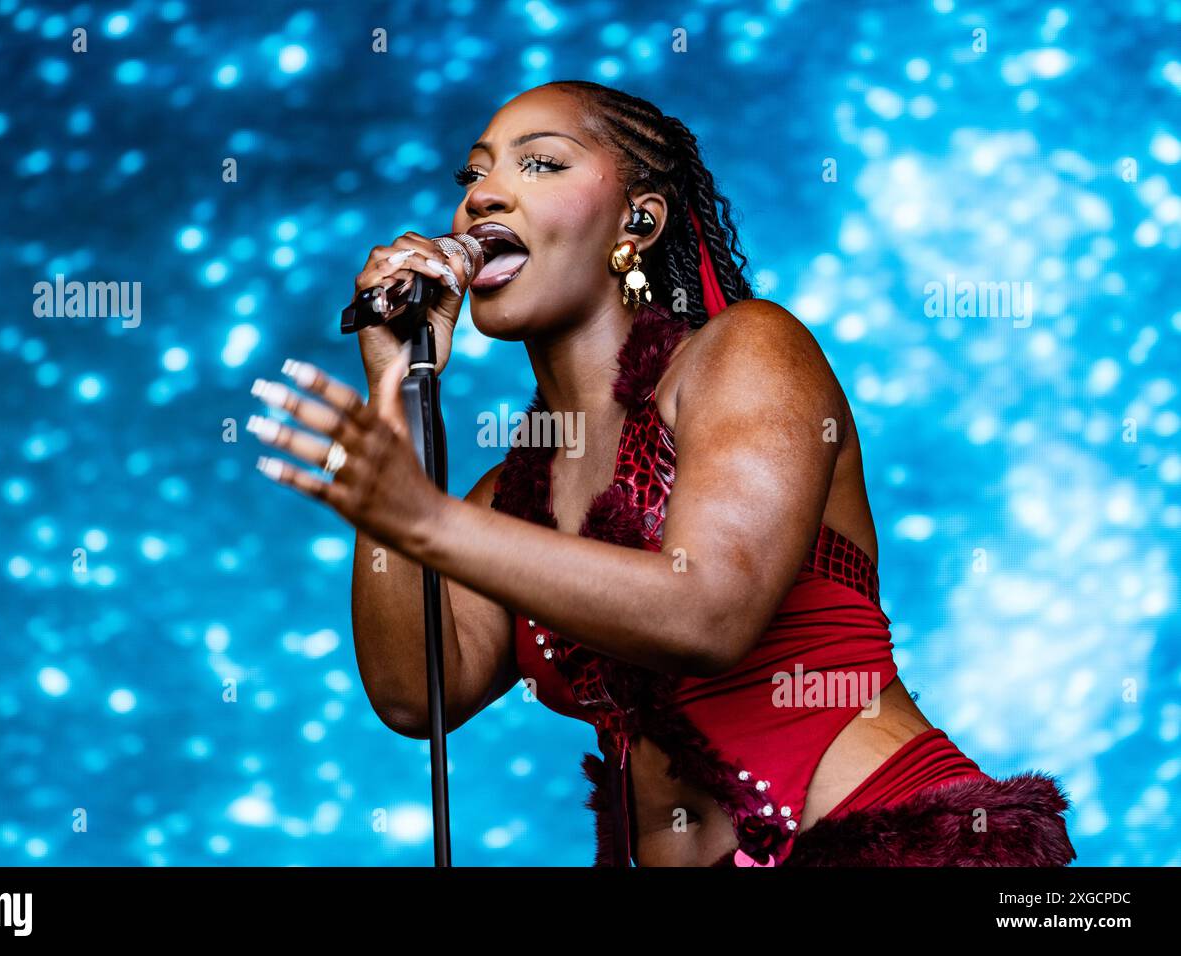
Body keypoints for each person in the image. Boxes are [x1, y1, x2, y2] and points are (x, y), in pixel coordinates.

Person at [246, 80, 1077, 867]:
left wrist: (426, 521)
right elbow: (413, 693)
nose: (483, 196)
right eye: (474, 172)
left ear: (637, 221)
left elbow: (707, 614)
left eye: (540, 163)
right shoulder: (513, 500)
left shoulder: (748, 351)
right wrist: (401, 391)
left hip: (894, 842)